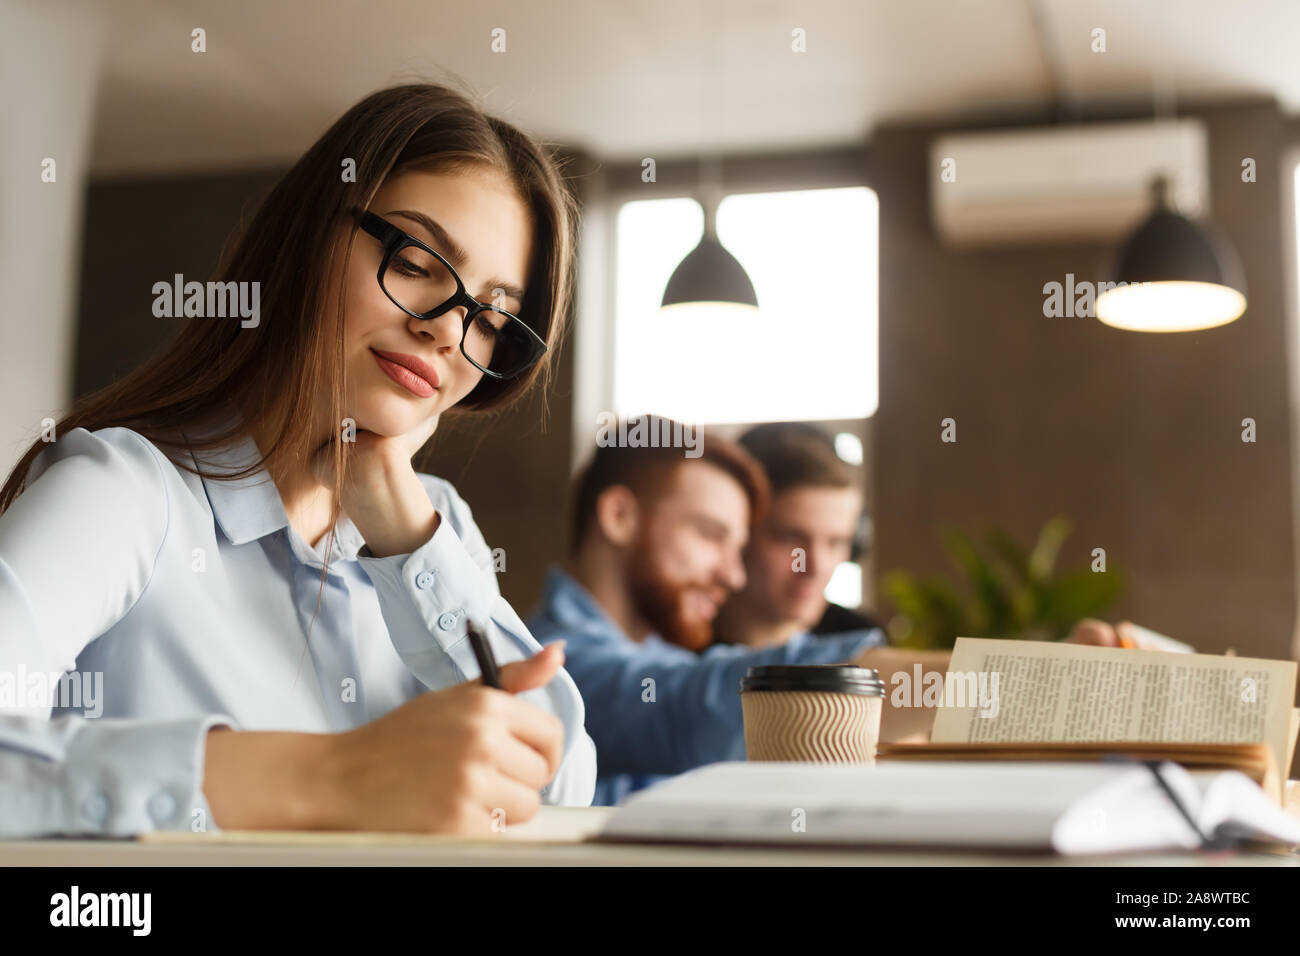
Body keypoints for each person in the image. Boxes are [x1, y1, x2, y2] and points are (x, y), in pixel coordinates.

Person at [0, 82, 596, 837]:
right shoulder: (124, 494)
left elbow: (564, 787)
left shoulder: (434, 528)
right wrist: (330, 778)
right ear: (309, 241)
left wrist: (408, 535)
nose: (450, 333)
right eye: (415, 261)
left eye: (493, 318)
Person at [526, 417, 890, 805]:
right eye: (710, 534)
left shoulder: (661, 653)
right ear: (620, 516)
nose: (733, 576)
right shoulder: (551, 667)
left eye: (737, 547)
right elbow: (689, 704)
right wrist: (942, 675)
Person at [713, 422, 886, 650]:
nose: (816, 566)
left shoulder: (861, 634)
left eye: (836, 542)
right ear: (737, 536)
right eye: (790, 539)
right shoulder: (667, 651)